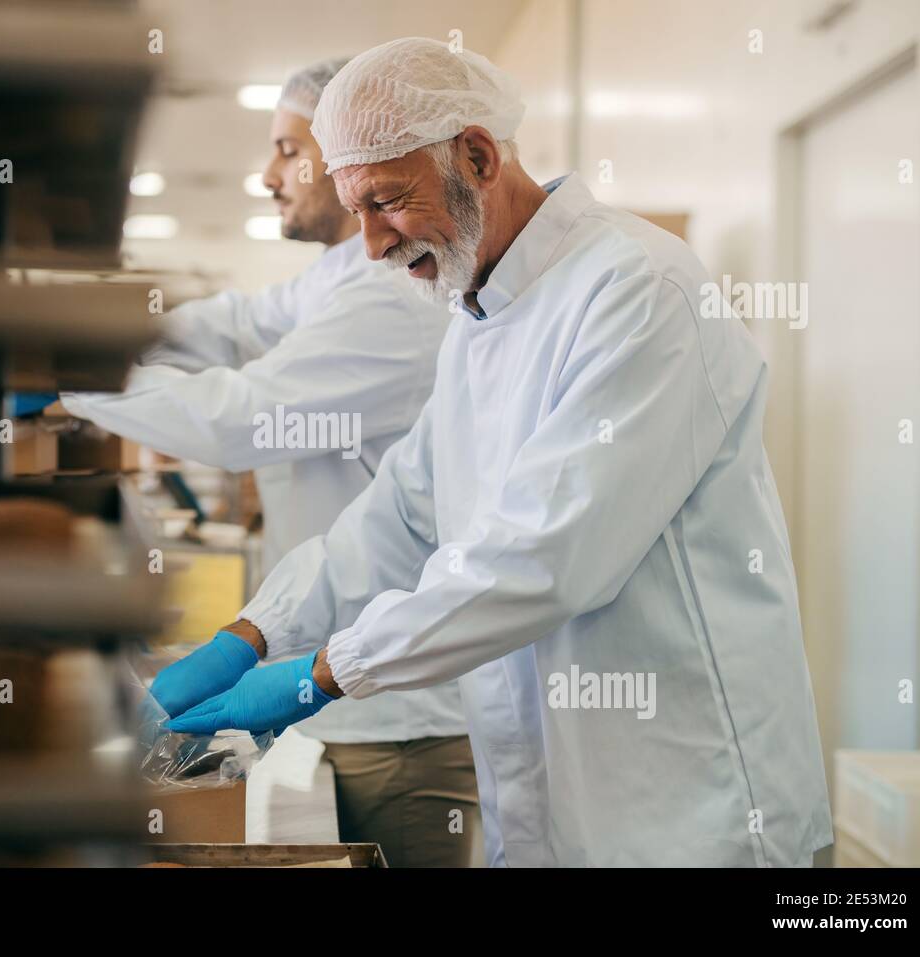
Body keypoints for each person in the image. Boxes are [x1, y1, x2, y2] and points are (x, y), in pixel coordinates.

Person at [162, 37, 833, 867]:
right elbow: (402, 513)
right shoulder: (476, 317)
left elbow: (544, 555)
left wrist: (326, 672)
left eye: (387, 202)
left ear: (476, 155)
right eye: (357, 210)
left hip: (692, 810)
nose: (372, 244)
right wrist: (254, 632)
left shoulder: (636, 291)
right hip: (548, 806)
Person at [59, 58, 478, 867]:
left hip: (399, 715)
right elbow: (232, 324)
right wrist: (89, 335)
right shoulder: (336, 277)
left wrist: (69, 384)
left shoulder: (393, 294)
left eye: (290, 150)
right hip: (340, 677)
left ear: (347, 150)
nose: (267, 175)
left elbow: (246, 417)